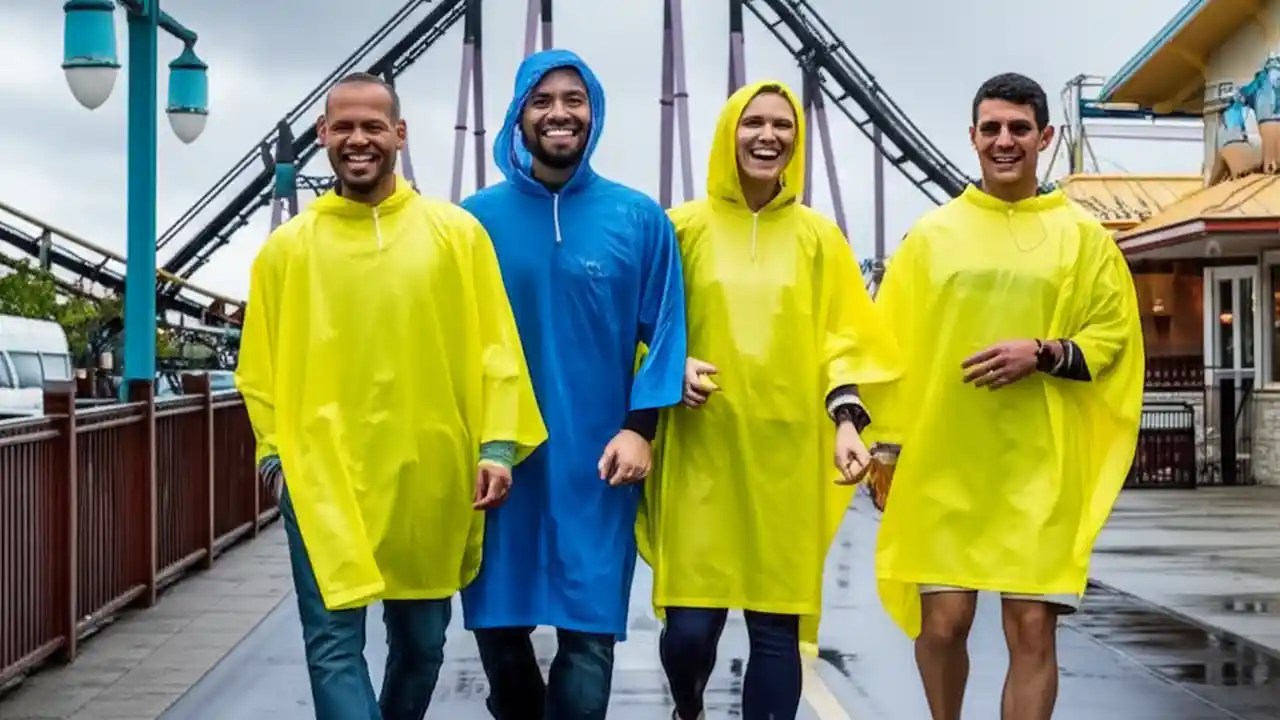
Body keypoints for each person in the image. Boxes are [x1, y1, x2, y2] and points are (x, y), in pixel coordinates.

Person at [235, 71, 547, 720]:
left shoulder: (454, 236)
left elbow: (495, 349)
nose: (358, 139)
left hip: (426, 473)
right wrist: (276, 461)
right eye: (343, 126)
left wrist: (494, 444)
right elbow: (258, 369)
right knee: (332, 646)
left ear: (399, 135)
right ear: (322, 135)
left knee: (422, 647)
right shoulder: (285, 252)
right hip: (320, 475)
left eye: (372, 125)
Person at [860, 72, 1144, 720]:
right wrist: (885, 449)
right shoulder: (930, 238)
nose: (1004, 140)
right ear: (972, 137)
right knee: (942, 626)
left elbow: (1112, 337)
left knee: (1032, 630)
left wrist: (1042, 351)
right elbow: (890, 344)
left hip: (1039, 466)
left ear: (1045, 137)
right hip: (945, 462)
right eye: (991, 128)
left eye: (1019, 128)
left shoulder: (1084, 239)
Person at [634, 80, 904, 720]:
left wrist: (846, 421)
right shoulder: (681, 229)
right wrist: (674, 366)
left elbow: (843, 336)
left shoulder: (818, 238)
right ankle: (688, 706)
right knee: (691, 628)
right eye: (753, 122)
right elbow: (644, 324)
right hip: (701, 451)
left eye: (783, 125)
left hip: (787, 454)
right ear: (730, 132)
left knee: (775, 630)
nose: (768, 135)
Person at [458, 49, 688, 720]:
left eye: (574, 100)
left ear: (594, 114)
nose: (560, 113)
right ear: (518, 116)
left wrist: (639, 427)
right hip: (499, 462)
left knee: (589, 642)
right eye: (542, 100)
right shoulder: (470, 223)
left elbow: (668, 329)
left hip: (599, 465)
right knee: (500, 639)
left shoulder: (639, 219)